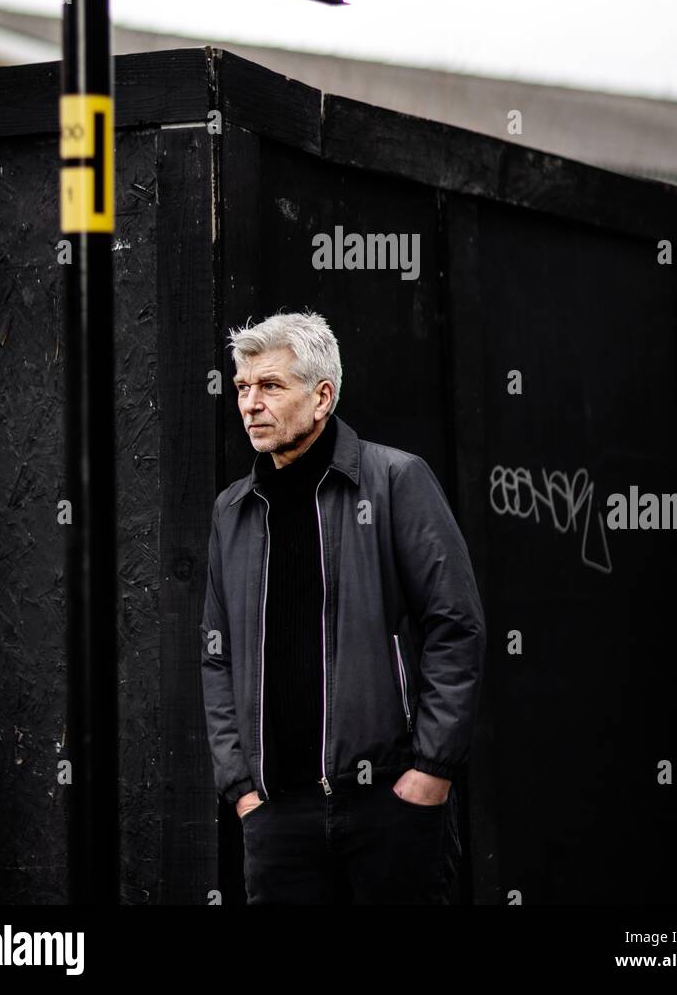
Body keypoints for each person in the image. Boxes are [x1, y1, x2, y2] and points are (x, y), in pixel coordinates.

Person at [200, 309, 487, 905]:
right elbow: (216, 655)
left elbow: (455, 627)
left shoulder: (394, 481)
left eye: (271, 386)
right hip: (278, 817)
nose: (250, 404)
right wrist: (242, 790)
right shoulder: (234, 510)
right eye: (243, 388)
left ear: (321, 395)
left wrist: (431, 772)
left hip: (389, 805)